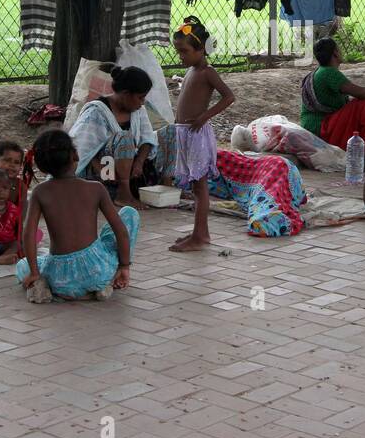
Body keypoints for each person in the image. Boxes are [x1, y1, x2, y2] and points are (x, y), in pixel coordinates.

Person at [17, 130, 137, 304]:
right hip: (98, 271)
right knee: (129, 214)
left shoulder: (40, 192)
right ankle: (102, 285)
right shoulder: (96, 188)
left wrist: (35, 272)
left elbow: (28, 234)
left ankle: (43, 286)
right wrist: (124, 266)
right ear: (75, 155)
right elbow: (121, 232)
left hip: (59, 279)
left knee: (22, 266)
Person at [169, 16, 235, 252]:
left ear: (201, 49)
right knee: (196, 187)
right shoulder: (191, 70)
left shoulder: (207, 72)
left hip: (196, 133)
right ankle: (199, 232)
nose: (181, 57)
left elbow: (229, 97)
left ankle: (200, 236)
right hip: (186, 133)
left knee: (200, 186)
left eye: (184, 51)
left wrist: (204, 116)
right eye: (178, 52)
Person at [68, 65, 162, 209]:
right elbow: (81, 149)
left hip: (132, 170)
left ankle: (165, 189)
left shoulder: (138, 110)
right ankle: (123, 195)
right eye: (140, 97)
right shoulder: (96, 112)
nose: (142, 102)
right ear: (125, 94)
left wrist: (139, 162)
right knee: (125, 137)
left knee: (170, 133)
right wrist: (101, 169)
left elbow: (147, 138)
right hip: (102, 173)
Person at [300, 38, 365, 149]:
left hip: (316, 125)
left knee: (357, 104)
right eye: (339, 49)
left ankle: (363, 145)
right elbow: (360, 93)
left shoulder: (321, 71)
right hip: (320, 127)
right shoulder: (329, 73)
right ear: (335, 53)